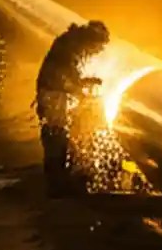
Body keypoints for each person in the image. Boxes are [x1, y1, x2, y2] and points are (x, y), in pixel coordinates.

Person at [34, 21, 112, 196]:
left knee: (59, 138)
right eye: (98, 47)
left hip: (55, 94)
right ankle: (56, 186)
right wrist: (82, 90)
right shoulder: (70, 48)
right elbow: (63, 76)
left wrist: (85, 83)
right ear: (92, 41)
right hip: (53, 97)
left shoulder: (71, 44)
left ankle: (59, 180)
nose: (98, 52)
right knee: (56, 137)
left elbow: (70, 75)